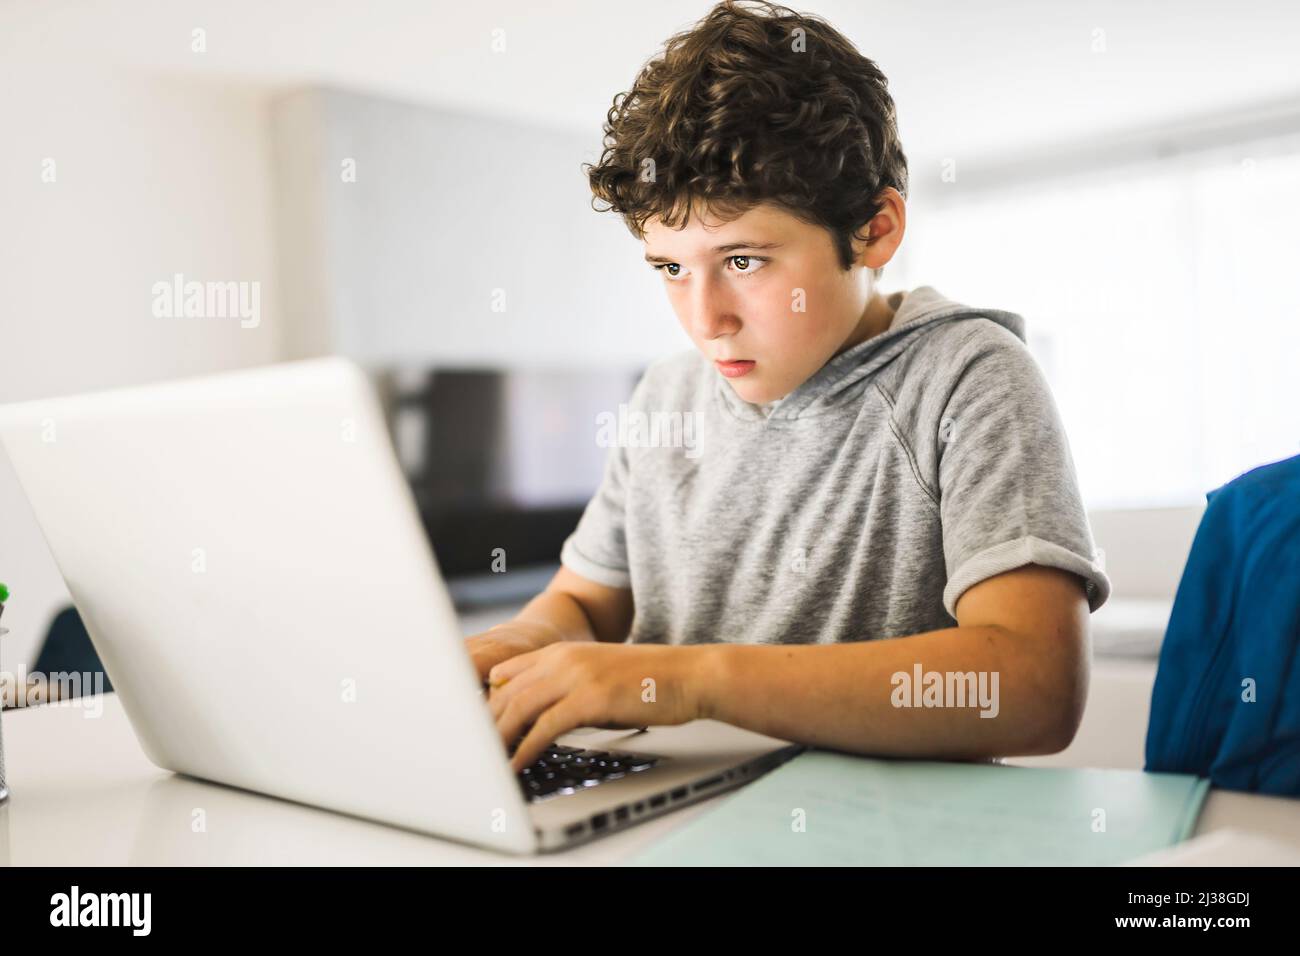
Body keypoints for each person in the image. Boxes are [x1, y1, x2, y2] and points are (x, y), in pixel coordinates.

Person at [466, 0, 1109, 772]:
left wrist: (694, 680)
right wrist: (523, 645)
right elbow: (584, 603)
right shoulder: (664, 398)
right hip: (661, 810)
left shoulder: (967, 379)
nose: (707, 322)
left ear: (875, 230)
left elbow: (1033, 688)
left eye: (743, 261)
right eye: (671, 269)